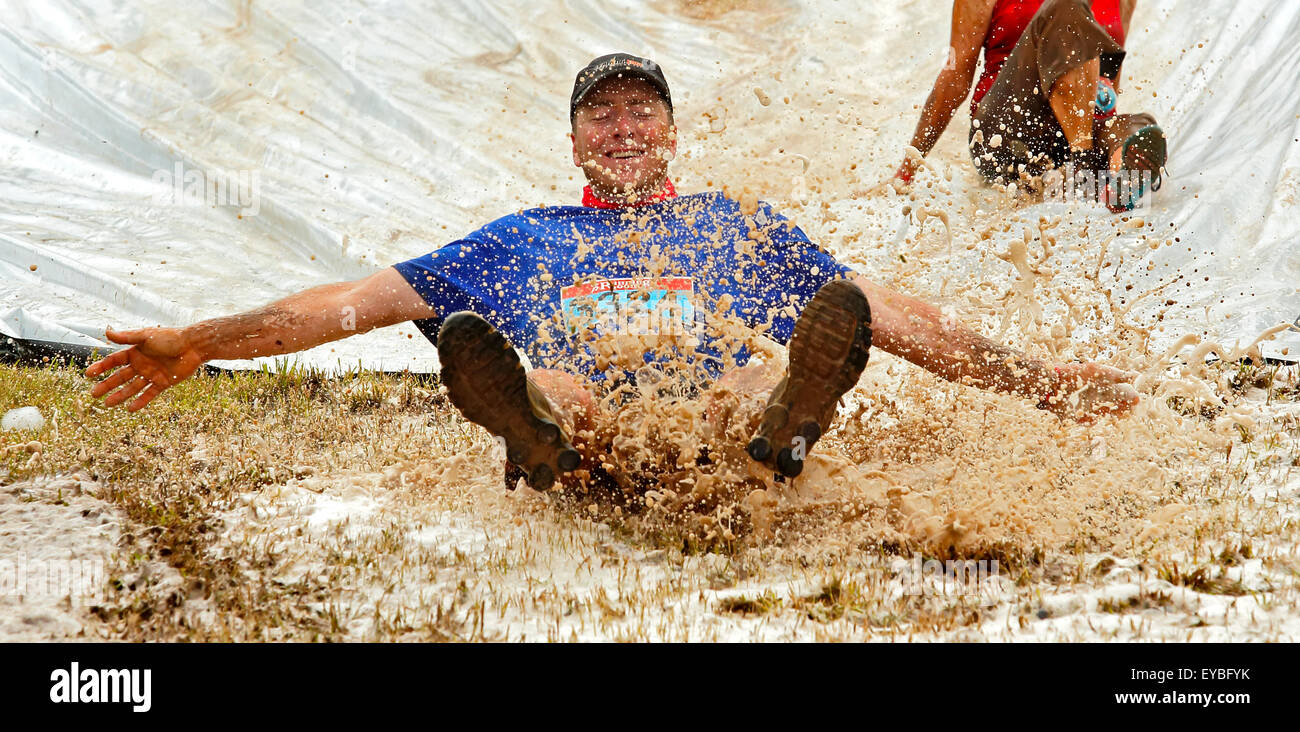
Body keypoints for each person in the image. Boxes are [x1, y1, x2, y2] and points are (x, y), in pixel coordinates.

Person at [85, 53, 1139, 492]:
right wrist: (200, 341)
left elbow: (890, 314)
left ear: (672, 133)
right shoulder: (519, 238)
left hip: (715, 433)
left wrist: (1043, 379)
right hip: (596, 429)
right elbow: (346, 305)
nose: (624, 123)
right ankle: (530, 428)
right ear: (576, 142)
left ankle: (786, 425)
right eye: (603, 111)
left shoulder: (730, 226)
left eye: (642, 108)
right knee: (565, 387)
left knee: (748, 378)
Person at [895, 0, 1166, 211]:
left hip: (1070, 133)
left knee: (1140, 127)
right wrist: (907, 170)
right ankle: (1084, 169)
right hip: (1006, 128)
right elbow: (955, 76)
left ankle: (1120, 178)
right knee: (1066, 6)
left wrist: (1110, 136)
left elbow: (1108, 75)